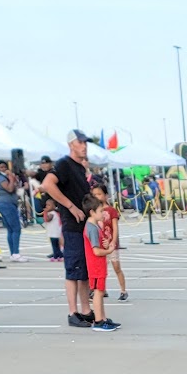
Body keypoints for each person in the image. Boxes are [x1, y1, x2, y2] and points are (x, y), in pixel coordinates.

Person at [41, 128, 96, 328]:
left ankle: (86, 310)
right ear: (71, 144)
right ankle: (72, 312)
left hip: (84, 225)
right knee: (73, 270)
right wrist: (70, 206)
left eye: (85, 143)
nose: (84, 146)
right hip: (72, 227)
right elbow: (47, 184)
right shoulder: (65, 164)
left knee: (84, 271)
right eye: (80, 143)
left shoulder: (80, 167)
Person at [82, 188, 119, 331]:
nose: (102, 213)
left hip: (99, 265)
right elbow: (96, 251)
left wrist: (104, 242)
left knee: (101, 291)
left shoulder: (94, 226)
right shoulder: (91, 227)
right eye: (99, 211)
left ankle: (102, 318)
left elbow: (97, 244)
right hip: (96, 265)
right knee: (98, 292)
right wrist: (108, 250)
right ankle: (98, 321)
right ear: (92, 212)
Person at [0, 160, 23, 258]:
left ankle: (13, 253)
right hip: (6, 204)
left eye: (5, 167)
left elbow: (16, 186)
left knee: (10, 230)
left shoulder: (3, 177)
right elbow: (9, 189)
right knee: (16, 228)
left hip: (8, 203)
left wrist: (13, 178)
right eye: (1, 167)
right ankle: (16, 253)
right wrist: (11, 177)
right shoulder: (0, 177)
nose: (4, 169)